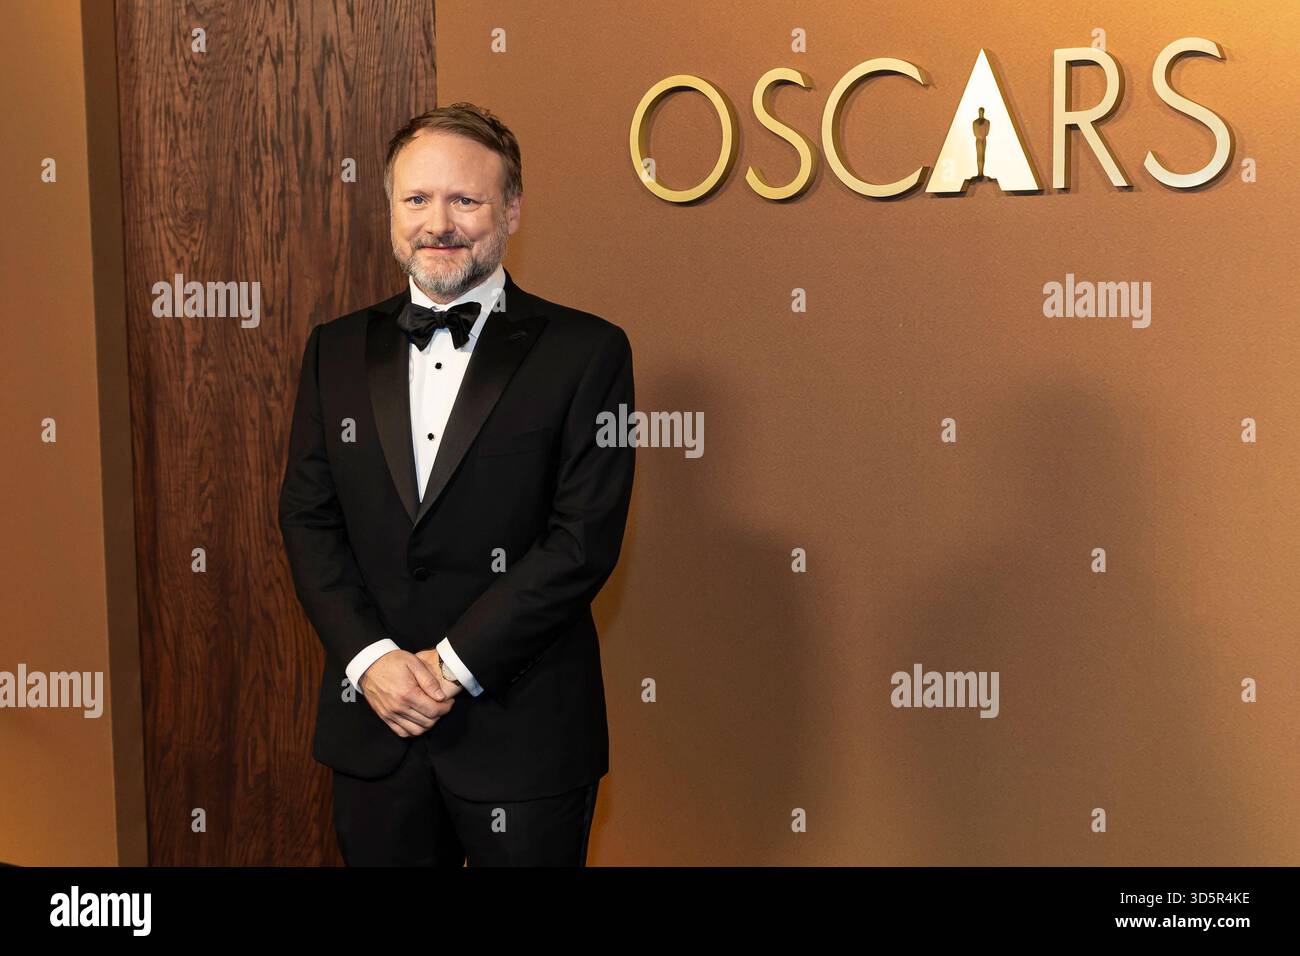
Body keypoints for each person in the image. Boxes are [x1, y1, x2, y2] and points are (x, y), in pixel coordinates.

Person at [278, 102, 635, 866]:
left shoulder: (588, 352)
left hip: (526, 736)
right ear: (391, 210)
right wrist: (371, 659)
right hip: (375, 731)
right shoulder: (333, 351)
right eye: (417, 199)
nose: (438, 222)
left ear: (511, 210)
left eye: (465, 200)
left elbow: (581, 542)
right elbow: (309, 521)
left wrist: (446, 667)